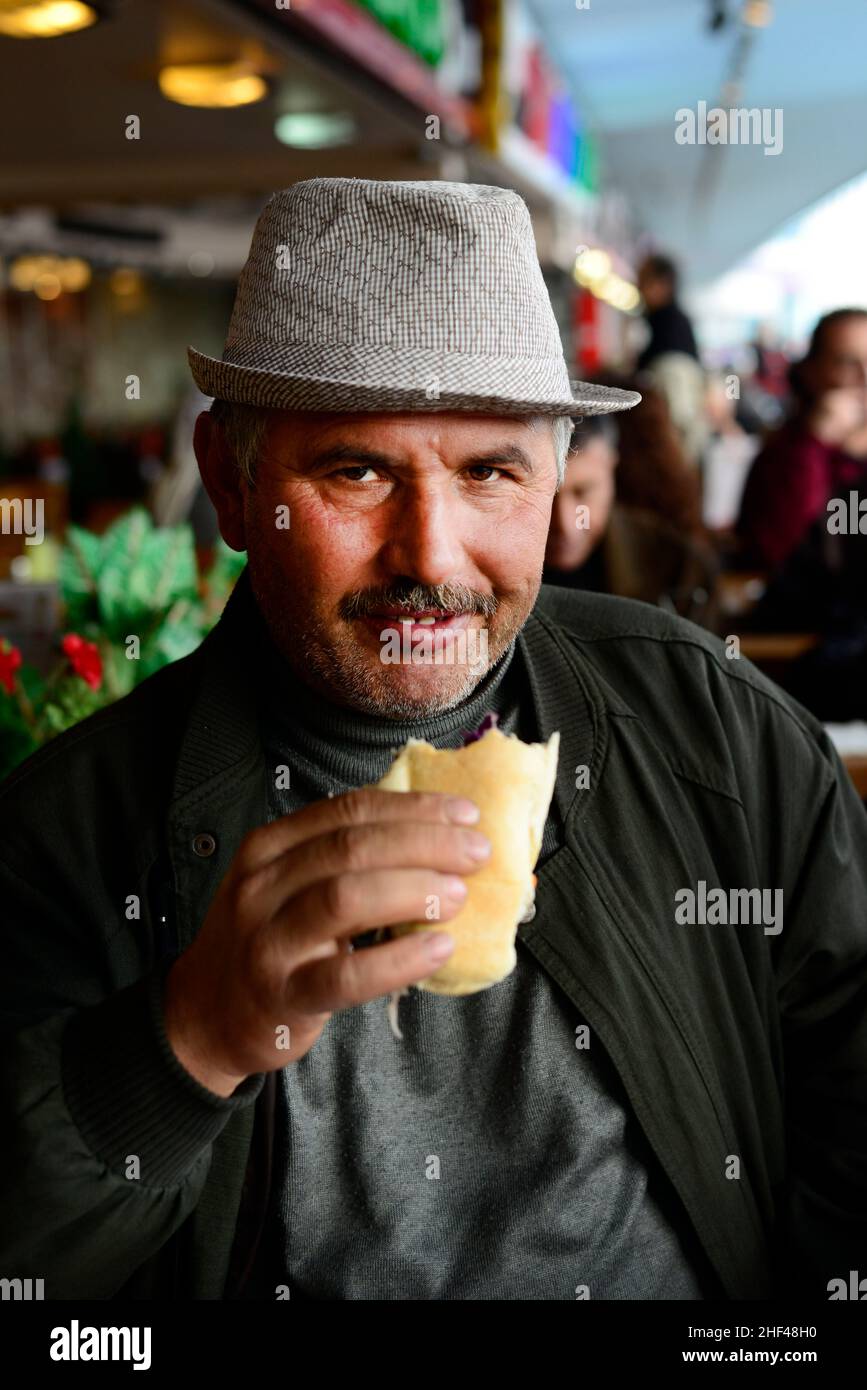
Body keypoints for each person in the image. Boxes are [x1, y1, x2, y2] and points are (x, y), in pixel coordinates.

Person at [1, 179, 865, 1304]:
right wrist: (185, 1044)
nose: (433, 556)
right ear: (230, 478)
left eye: (489, 471)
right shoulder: (65, 836)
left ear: (557, 481)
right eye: (356, 470)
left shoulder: (723, 736)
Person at [542, 416, 718, 626]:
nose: (565, 524)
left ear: (611, 468)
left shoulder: (678, 566)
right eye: (546, 495)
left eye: (583, 492)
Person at [737, 308, 867, 572]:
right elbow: (778, 553)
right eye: (846, 362)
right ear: (811, 371)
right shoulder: (788, 452)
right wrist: (814, 443)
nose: (865, 377)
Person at [635, 253, 708, 467]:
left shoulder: (669, 327)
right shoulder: (668, 323)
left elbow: (680, 417)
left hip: (672, 457)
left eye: (644, 280)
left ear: (663, 284)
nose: (639, 287)